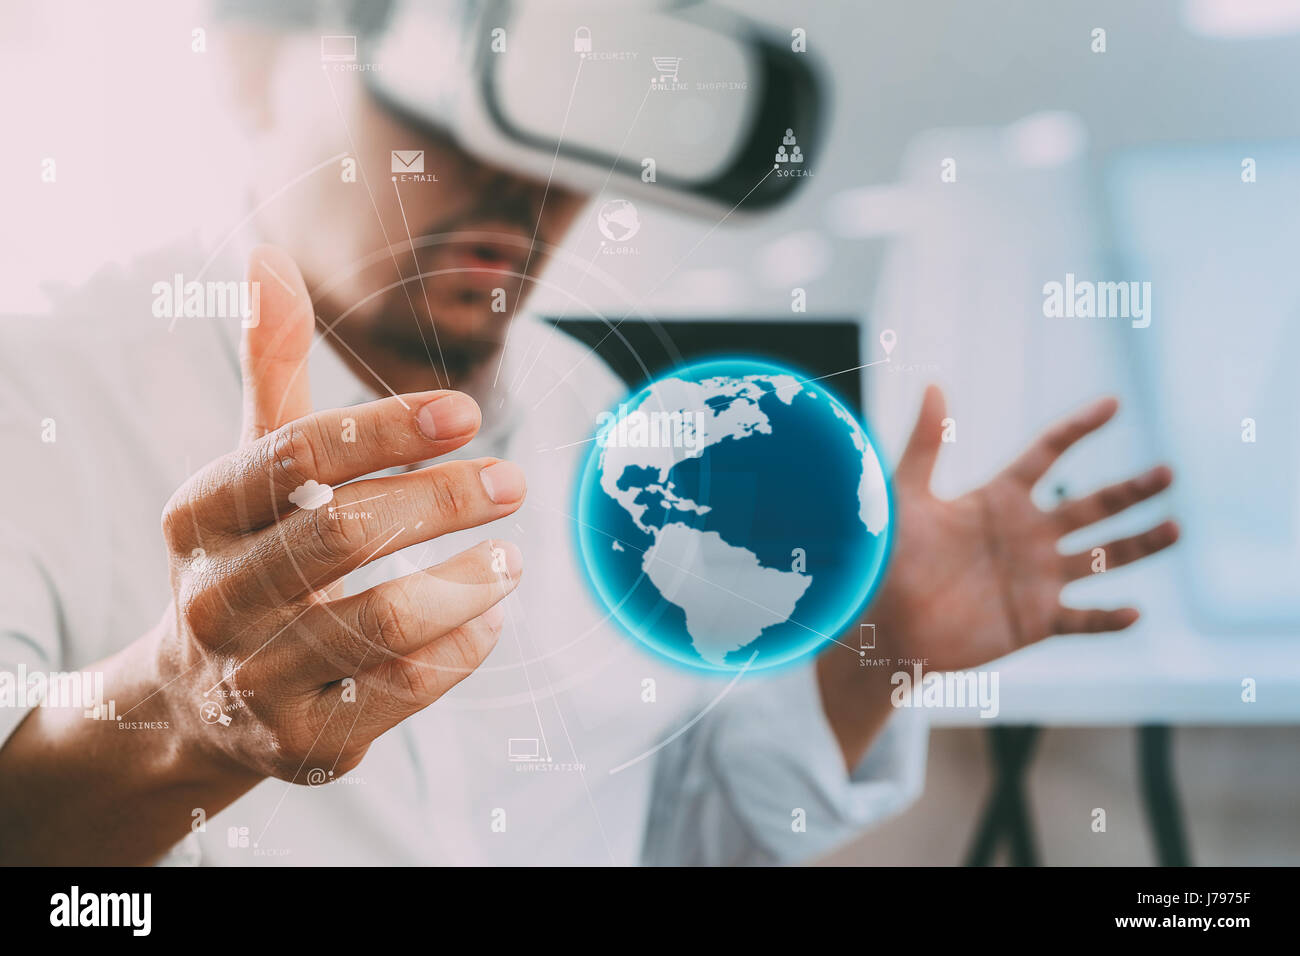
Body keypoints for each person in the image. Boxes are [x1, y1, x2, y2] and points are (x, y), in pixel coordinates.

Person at [0, 4, 1178, 866]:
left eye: (577, 116)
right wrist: (181, 712)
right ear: (255, 69)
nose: (526, 181)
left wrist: (872, 652)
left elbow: (670, 842)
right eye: (458, 104)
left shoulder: (626, 446)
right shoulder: (40, 393)